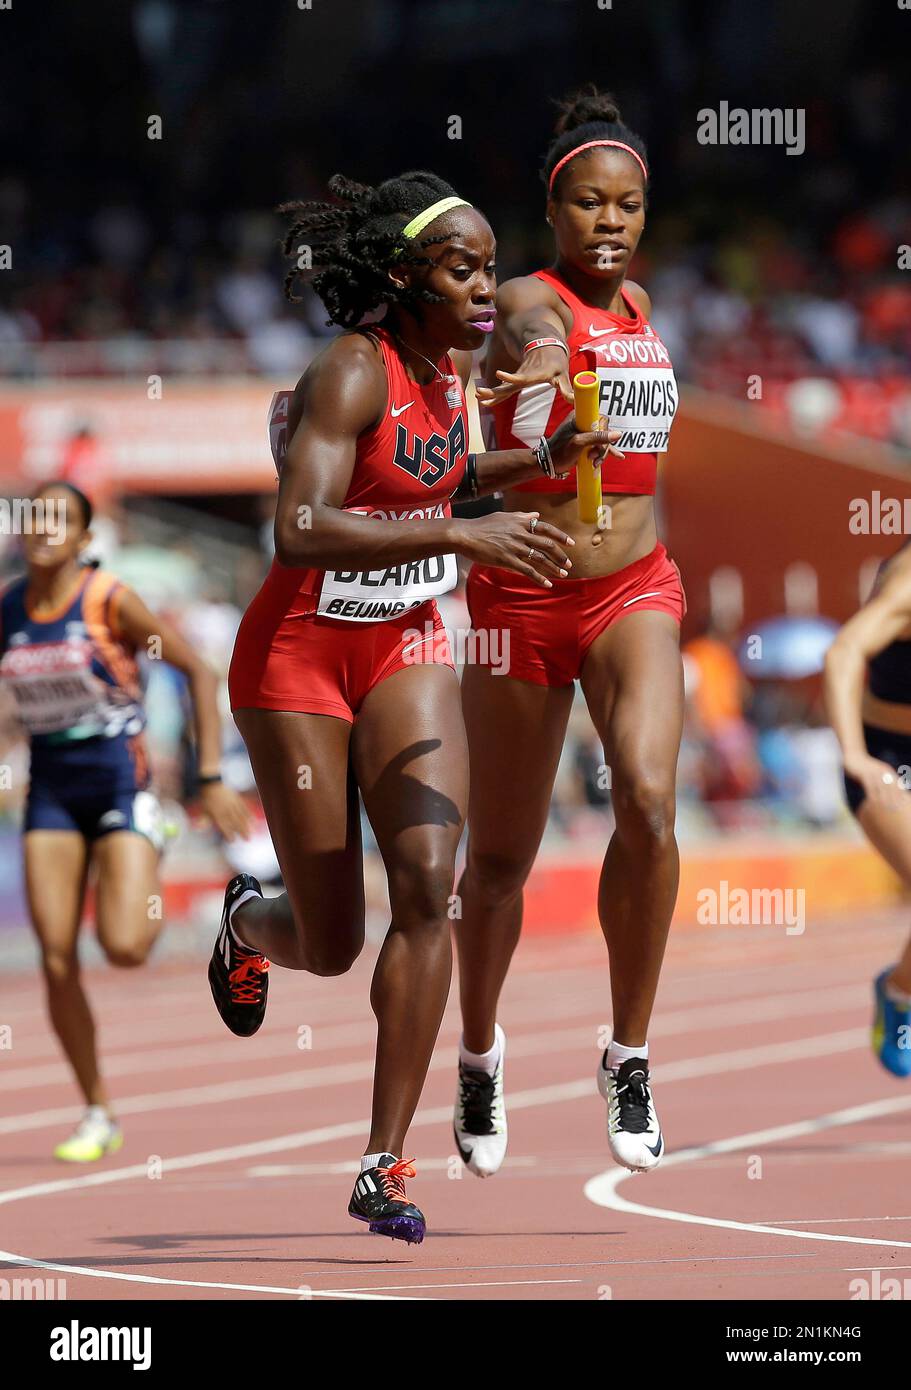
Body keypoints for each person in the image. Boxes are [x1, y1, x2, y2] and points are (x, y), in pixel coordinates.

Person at [214, 169, 615, 1244]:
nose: (486, 291)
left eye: (490, 268)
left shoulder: (449, 368)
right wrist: (455, 536)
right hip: (298, 661)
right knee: (333, 939)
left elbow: (440, 475)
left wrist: (539, 458)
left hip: (401, 646)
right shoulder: (350, 370)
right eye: (461, 270)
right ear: (401, 276)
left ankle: (382, 1162)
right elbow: (300, 526)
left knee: (428, 888)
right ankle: (248, 924)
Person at [452, 88, 686, 1178]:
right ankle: (479, 1050)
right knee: (498, 859)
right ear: (554, 212)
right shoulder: (521, 299)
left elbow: (640, 460)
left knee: (644, 798)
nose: (610, 222)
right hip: (525, 597)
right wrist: (545, 373)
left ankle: (627, 1051)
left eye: (627, 204)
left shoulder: (642, 305)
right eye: (588, 204)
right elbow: (535, 339)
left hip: (633, 584)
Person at [0, 481, 250, 1160]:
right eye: (37, 517)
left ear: (85, 539)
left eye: (62, 520)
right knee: (56, 959)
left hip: (119, 776)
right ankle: (96, 1111)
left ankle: (155, 829)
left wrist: (206, 778)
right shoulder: (10, 608)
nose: (45, 528)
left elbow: (197, 671)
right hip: (51, 789)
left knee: (125, 948)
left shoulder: (108, 598)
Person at [825, 539, 911, 1076]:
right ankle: (901, 996)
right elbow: (842, 653)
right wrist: (855, 755)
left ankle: (901, 986)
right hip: (887, 762)